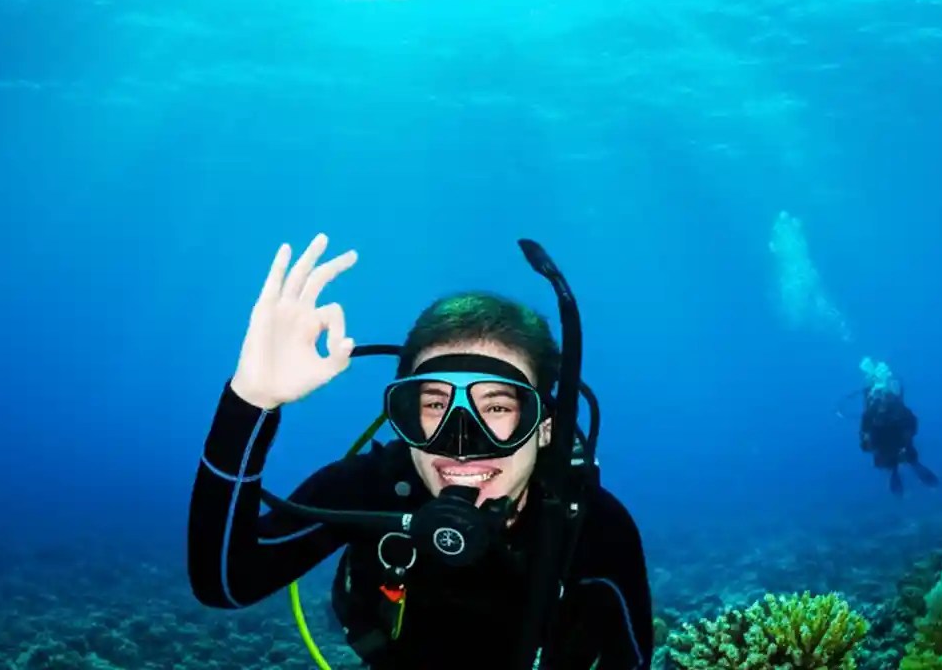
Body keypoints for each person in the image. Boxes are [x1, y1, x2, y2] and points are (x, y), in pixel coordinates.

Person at [186, 233, 653, 670]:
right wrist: (250, 401)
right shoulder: (371, 489)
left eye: (496, 406)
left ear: (544, 427)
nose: (462, 443)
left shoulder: (590, 529)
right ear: (407, 415)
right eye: (435, 404)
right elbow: (226, 583)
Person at [859, 382, 939, 496]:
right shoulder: (871, 413)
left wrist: (906, 437)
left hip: (898, 441)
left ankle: (925, 483)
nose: (883, 399)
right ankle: (903, 489)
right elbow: (865, 435)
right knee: (895, 466)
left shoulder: (895, 409)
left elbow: (911, 423)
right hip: (884, 444)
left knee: (908, 462)